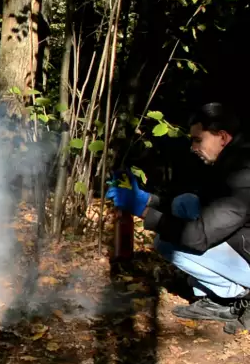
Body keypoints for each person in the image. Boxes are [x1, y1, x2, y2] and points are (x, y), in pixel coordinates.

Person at [106, 102, 250, 333]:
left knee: (167, 244)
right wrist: (147, 200)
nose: (192, 147)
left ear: (222, 137)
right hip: (243, 241)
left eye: (197, 139)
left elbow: (197, 236)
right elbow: (202, 203)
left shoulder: (244, 174)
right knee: (186, 202)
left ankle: (235, 295)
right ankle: (216, 297)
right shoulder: (231, 159)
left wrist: (142, 211)